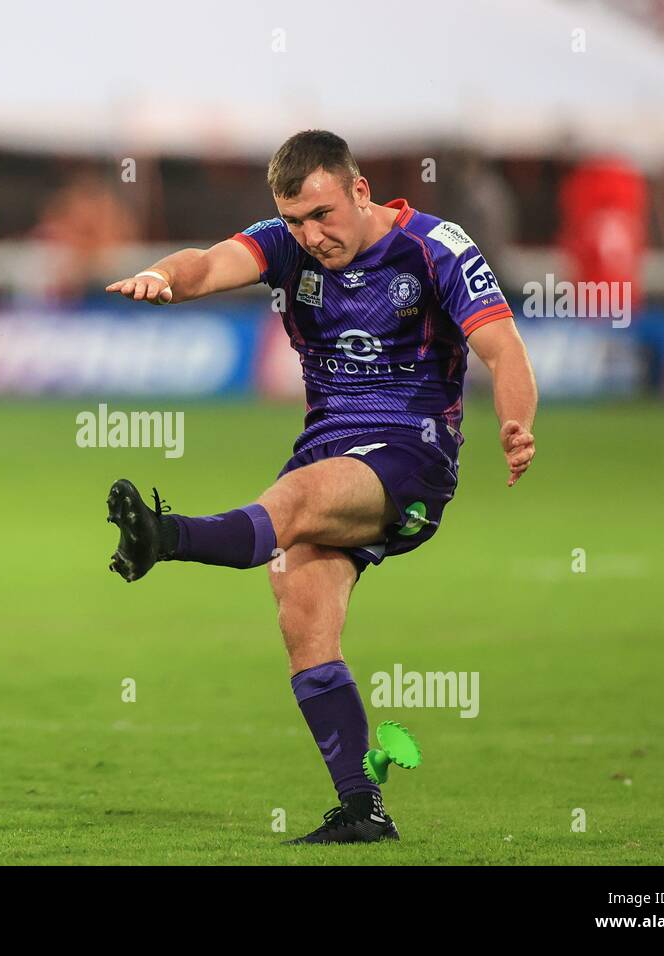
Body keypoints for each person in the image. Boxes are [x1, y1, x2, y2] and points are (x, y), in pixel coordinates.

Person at [104, 130, 538, 844]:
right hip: (327, 445)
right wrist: (164, 276)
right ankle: (363, 810)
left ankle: (166, 536)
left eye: (324, 215)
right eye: (297, 220)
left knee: (295, 504)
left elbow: (503, 346)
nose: (312, 235)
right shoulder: (286, 244)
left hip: (411, 454)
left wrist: (516, 423)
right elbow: (209, 264)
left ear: (360, 191)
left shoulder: (436, 248)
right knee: (302, 616)